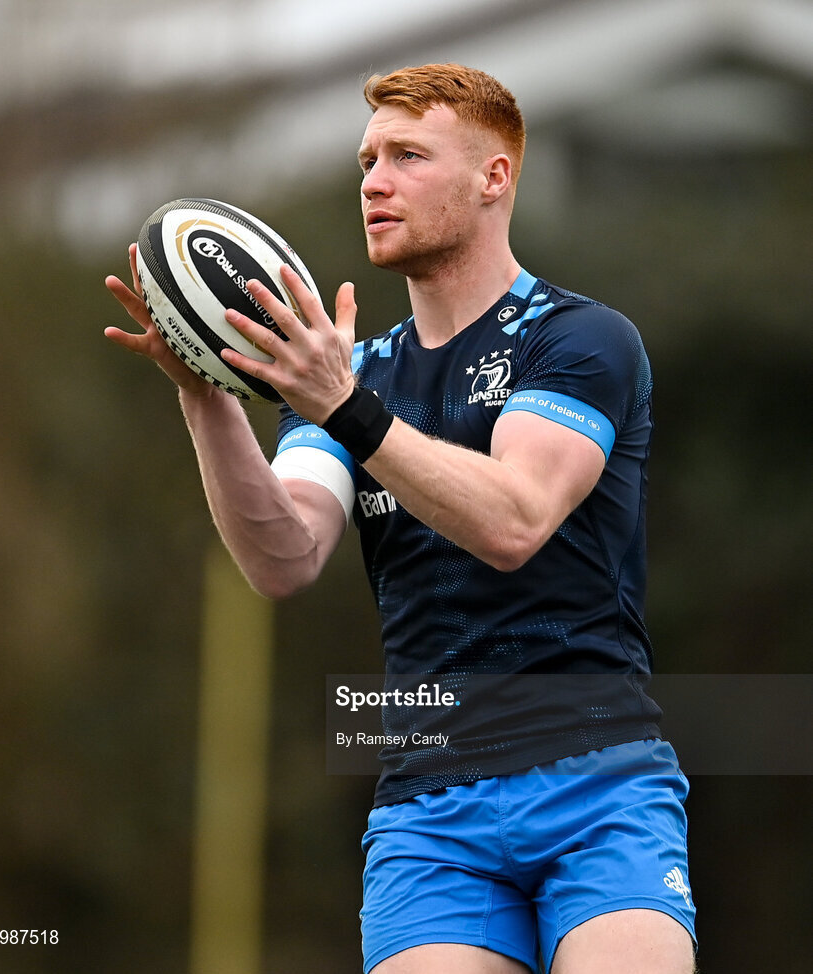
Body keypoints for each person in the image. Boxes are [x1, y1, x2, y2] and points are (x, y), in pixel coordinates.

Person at [106, 63, 696, 974]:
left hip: (600, 781)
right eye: (367, 158)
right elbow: (282, 558)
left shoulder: (576, 339)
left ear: (494, 177)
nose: (373, 180)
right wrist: (207, 396)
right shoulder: (351, 376)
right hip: (431, 811)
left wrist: (342, 405)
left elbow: (514, 520)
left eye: (407, 155)